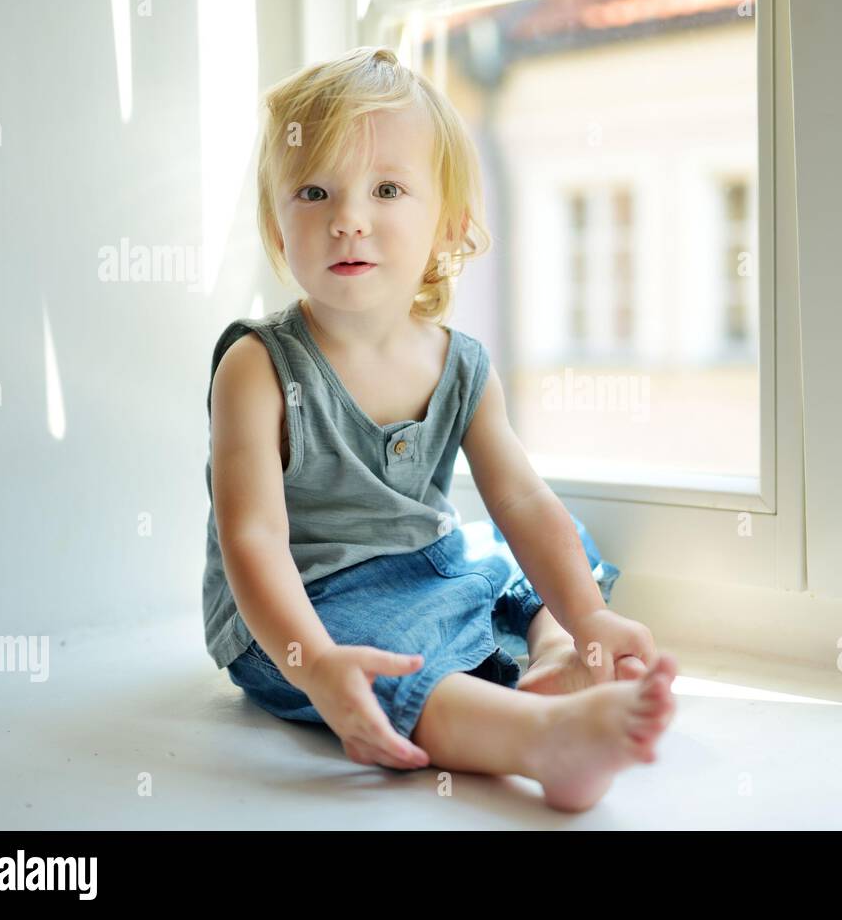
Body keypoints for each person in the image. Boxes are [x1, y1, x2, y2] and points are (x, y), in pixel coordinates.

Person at [201, 46, 676, 812]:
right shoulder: (257, 367)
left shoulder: (462, 365)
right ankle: (539, 739)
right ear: (276, 223)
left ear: (447, 225)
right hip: (307, 606)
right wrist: (316, 661)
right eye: (315, 192)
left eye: (387, 189)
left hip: (428, 562)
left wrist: (587, 615)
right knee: (395, 669)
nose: (348, 218)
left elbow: (520, 498)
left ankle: (558, 654)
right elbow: (251, 540)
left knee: (548, 548)